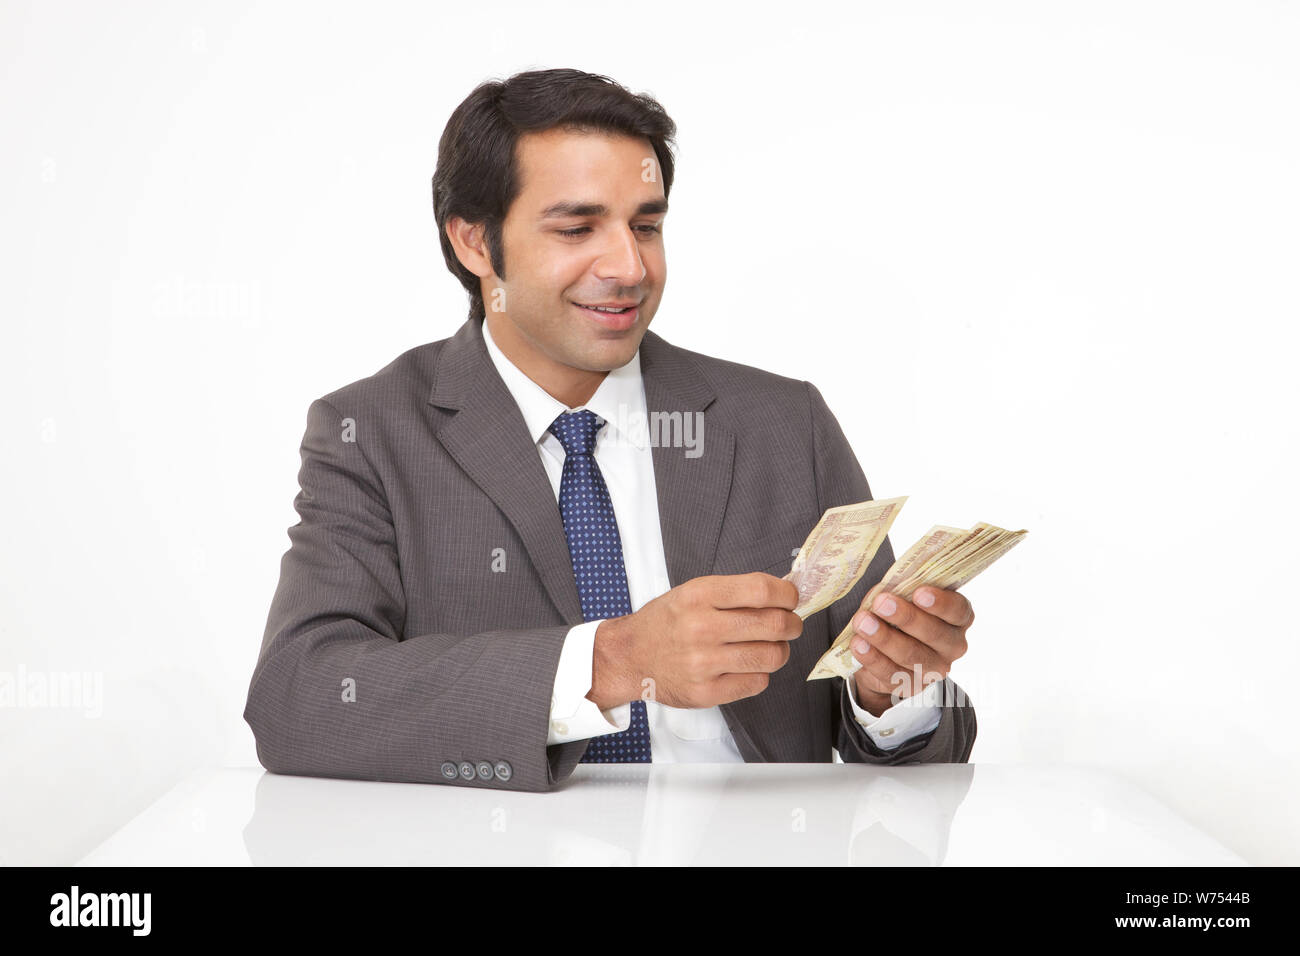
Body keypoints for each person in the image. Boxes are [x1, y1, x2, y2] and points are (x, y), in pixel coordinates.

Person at [243, 68, 977, 792]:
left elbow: (916, 754)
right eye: (577, 228)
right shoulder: (372, 432)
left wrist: (890, 694)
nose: (630, 267)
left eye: (647, 226)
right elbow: (299, 697)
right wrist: (614, 660)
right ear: (474, 243)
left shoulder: (784, 424)